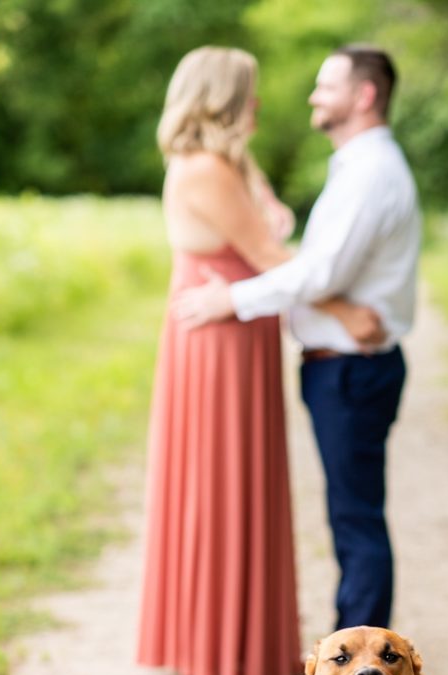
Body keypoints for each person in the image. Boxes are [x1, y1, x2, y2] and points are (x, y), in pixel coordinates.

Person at [137, 47, 380, 675]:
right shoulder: (208, 169)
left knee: (237, 476)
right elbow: (273, 255)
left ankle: (229, 637)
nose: (260, 105)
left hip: (237, 334)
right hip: (218, 342)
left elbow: (270, 240)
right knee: (224, 476)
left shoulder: (229, 163)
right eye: (250, 92)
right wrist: (347, 312)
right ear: (221, 97)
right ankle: (223, 647)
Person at [176, 45, 421, 633]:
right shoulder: (357, 166)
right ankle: (357, 648)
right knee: (351, 513)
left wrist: (229, 299)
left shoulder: (369, 172)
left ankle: (359, 660)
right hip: (343, 364)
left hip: (350, 368)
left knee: (355, 516)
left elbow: (316, 273)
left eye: (325, 86)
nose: (313, 96)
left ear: (363, 96)